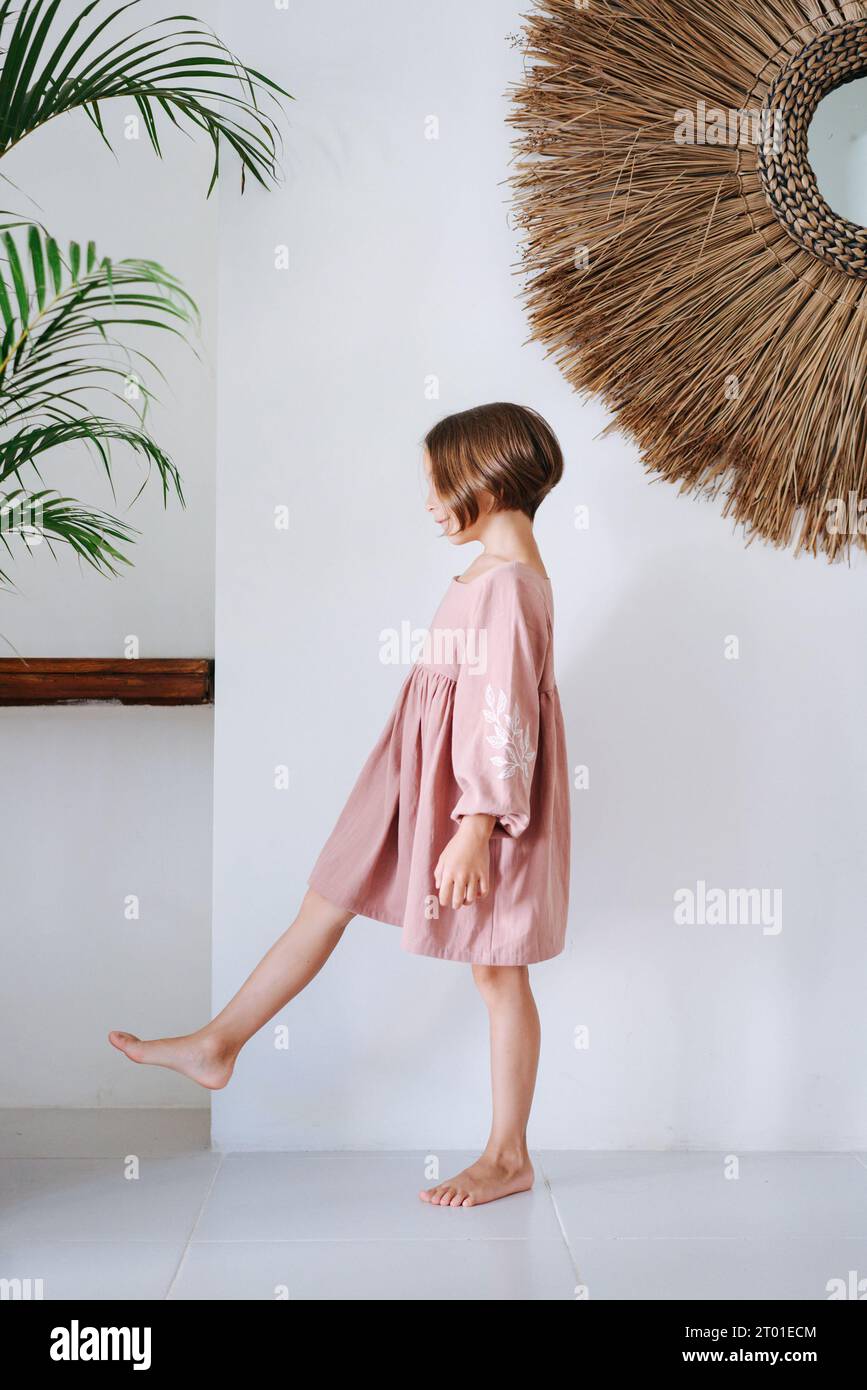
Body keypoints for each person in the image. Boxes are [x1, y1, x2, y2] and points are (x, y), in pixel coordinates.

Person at [109, 401, 571, 1208]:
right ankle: (220, 1041)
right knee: (325, 899)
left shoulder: (509, 590)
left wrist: (476, 824)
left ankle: (507, 1155)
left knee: (497, 971)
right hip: (413, 782)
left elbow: (505, 713)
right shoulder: (499, 578)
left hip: (470, 802)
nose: (428, 503)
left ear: (485, 481)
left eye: (437, 485)